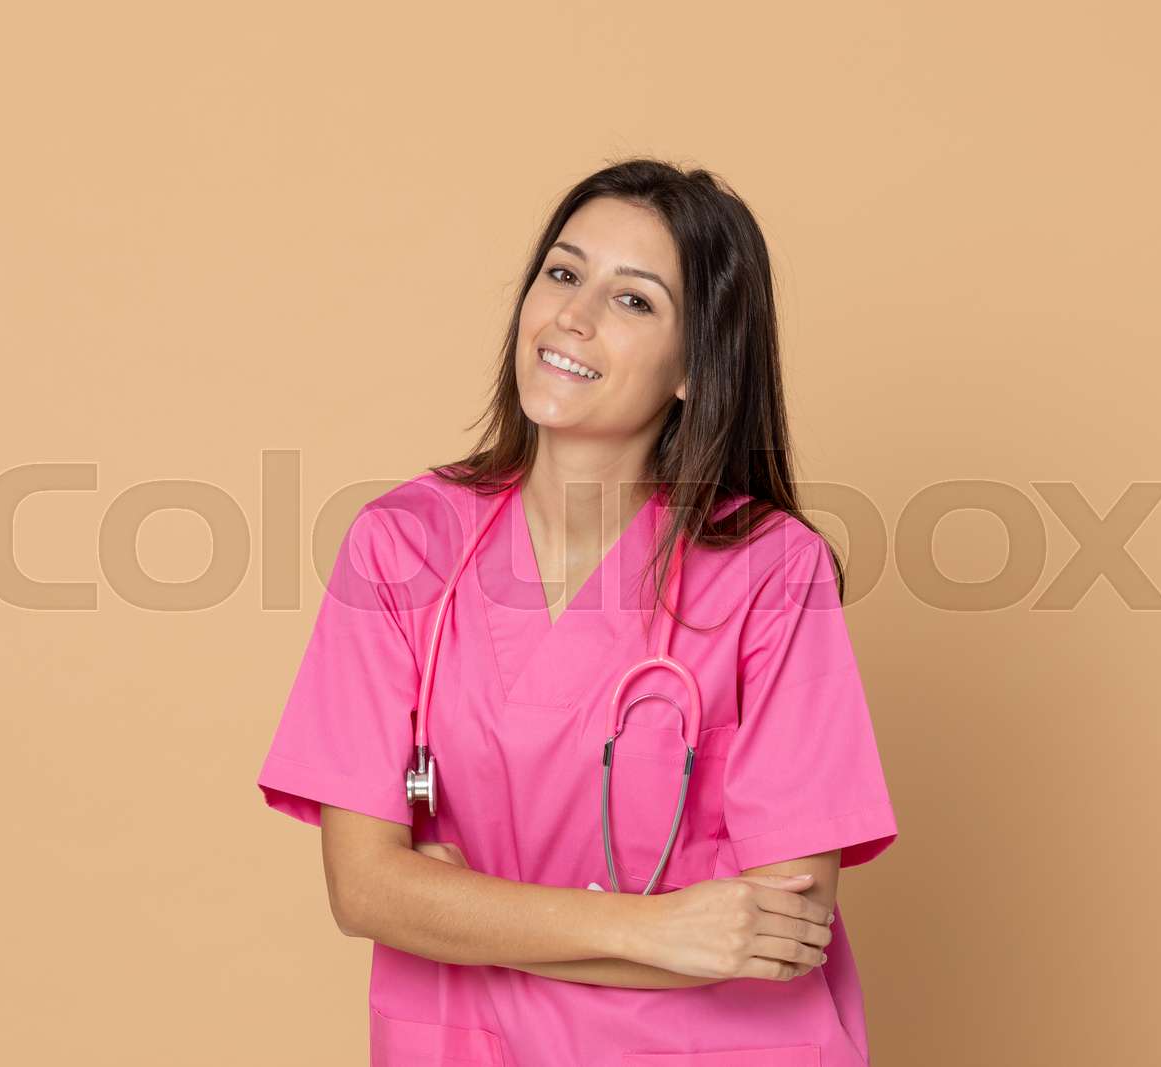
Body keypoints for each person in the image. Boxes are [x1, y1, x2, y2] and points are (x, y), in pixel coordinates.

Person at [256, 158, 899, 1066]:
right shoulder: (400, 547)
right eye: (563, 272)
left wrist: (460, 910)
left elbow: (779, 930)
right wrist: (661, 927)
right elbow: (363, 891)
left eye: (633, 300)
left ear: (695, 367)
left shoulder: (770, 571)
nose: (572, 314)